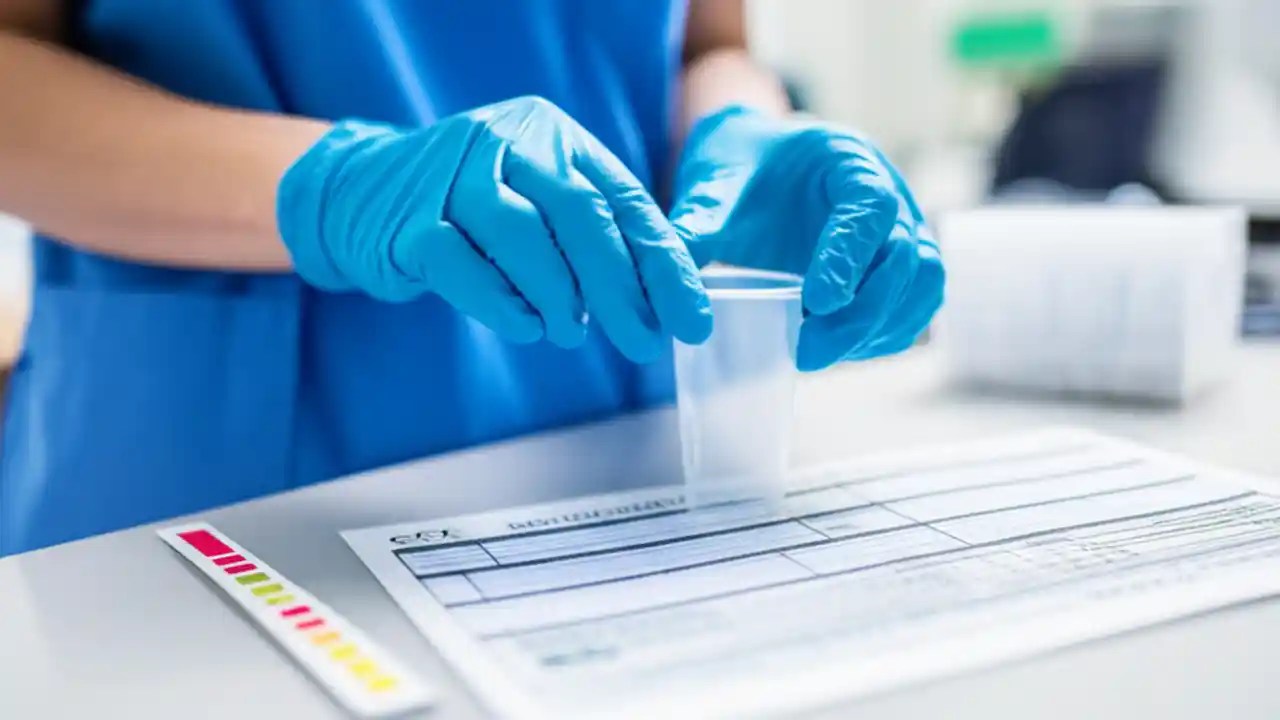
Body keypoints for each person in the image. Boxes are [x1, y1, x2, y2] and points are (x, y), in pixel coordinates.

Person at [0, 0, 944, 556]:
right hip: (214, 479)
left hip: (620, 432)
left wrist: (742, 132)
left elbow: (707, 41)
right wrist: (337, 189)